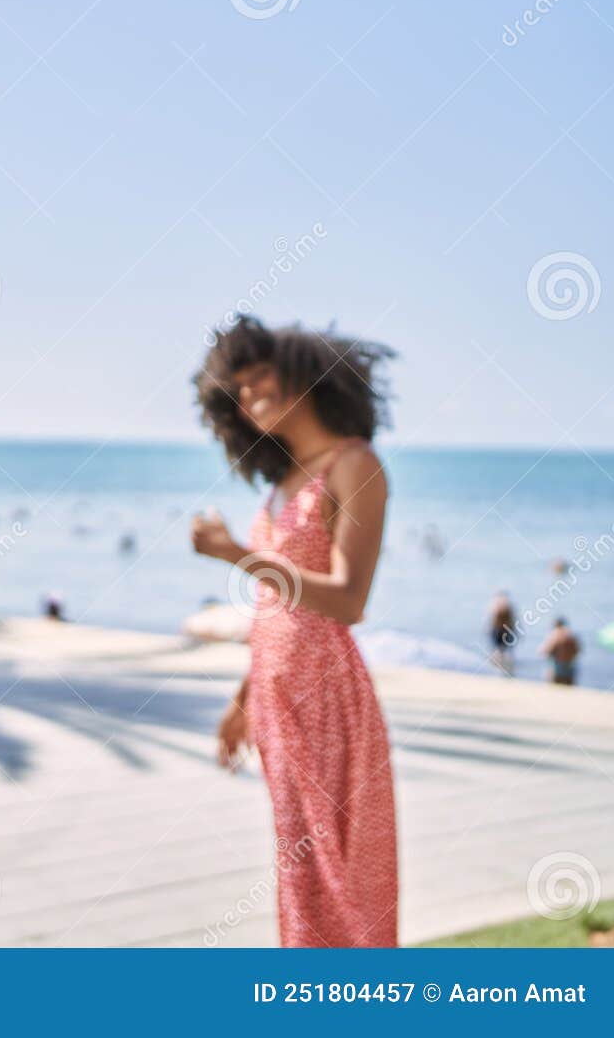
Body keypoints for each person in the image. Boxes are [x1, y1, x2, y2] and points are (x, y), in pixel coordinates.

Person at [189, 316, 398, 948]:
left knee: (337, 869)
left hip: (326, 696)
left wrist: (235, 555)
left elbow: (348, 600)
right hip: (278, 699)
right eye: (238, 390)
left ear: (306, 375)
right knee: (300, 868)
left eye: (260, 378)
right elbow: (274, 611)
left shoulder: (355, 465)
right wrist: (245, 696)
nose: (249, 396)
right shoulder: (283, 480)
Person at [542, 618, 580, 687]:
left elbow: (546, 651)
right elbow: (577, 650)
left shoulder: (555, 634)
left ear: (556, 625)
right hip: (570, 666)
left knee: (555, 689)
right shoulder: (571, 635)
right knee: (569, 689)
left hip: (558, 667)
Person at [487, 590, 517, 676]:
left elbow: (492, 622)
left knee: (500, 653)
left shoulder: (497, 606)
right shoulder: (506, 606)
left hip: (501, 631)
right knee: (504, 653)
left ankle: (499, 670)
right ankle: (503, 670)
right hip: (503, 631)